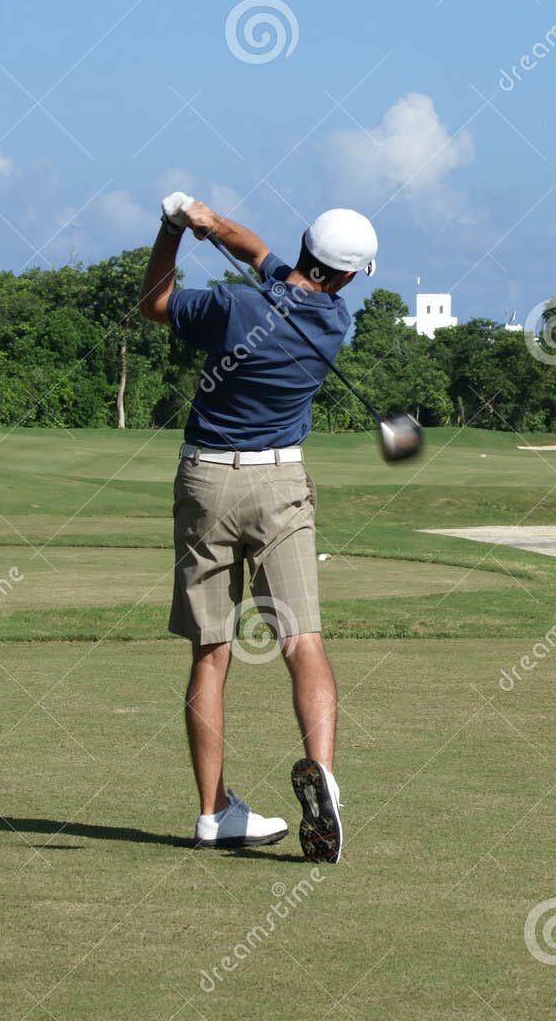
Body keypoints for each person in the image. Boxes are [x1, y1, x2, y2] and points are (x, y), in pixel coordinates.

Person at [138, 193, 378, 863]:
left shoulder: (232, 307)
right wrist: (212, 223)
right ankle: (322, 774)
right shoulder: (333, 321)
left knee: (211, 650)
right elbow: (261, 256)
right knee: (302, 640)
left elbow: (155, 302)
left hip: (207, 481)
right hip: (279, 485)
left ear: (304, 241)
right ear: (350, 274)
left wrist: (173, 231)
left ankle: (213, 813)